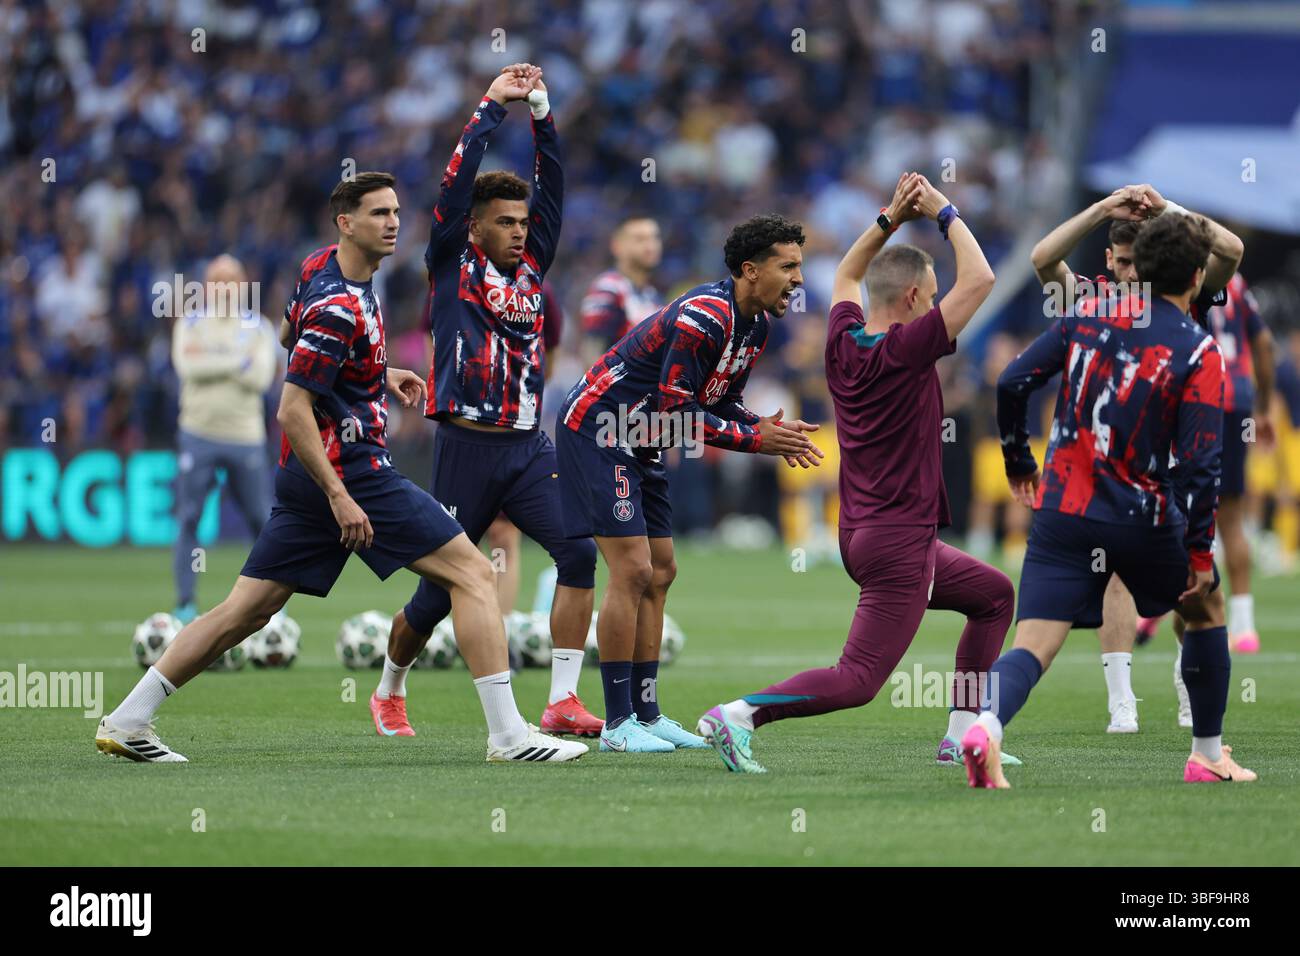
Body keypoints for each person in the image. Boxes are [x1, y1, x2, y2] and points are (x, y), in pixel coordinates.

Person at [96, 171, 585, 764]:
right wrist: (339, 494)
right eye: (379, 213)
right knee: (475, 575)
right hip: (351, 474)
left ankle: (127, 719)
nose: (394, 223)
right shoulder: (339, 306)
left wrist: (373, 374)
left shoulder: (318, 270)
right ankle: (509, 737)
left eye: (397, 212)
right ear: (345, 223)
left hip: (312, 478)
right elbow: (291, 407)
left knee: (245, 611)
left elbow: (286, 337)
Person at [697, 173, 1013, 774]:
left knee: (994, 596)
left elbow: (844, 274)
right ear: (919, 298)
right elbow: (983, 278)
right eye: (935, 292)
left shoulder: (841, 340)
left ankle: (962, 734)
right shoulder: (909, 348)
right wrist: (942, 210)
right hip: (898, 540)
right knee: (860, 679)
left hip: (864, 534)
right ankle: (739, 714)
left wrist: (890, 217)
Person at [966, 211, 1254, 788]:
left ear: (1136, 266)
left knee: (1035, 642)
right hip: (1141, 513)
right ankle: (1207, 755)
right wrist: (1199, 554)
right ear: (1197, 279)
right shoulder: (1198, 349)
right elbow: (1200, 465)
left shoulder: (1088, 316)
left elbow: (1011, 382)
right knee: (1206, 609)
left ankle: (987, 727)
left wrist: (1020, 461)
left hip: (1062, 511)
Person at [371, 64, 604, 740]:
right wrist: (489, 110)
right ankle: (389, 687)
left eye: (523, 222)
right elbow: (450, 188)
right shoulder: (450, 262)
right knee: (439, 592)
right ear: (472, 229)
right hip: (466, 450)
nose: (519, 232)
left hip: (530, 445)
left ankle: (561, 699)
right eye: (503, 222)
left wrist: (543, 114)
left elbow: (554, 190)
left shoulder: (534, 268)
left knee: (579, 552)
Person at [559, 213, 822, 754]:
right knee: (631, 569)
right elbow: (683, 413)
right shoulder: (703, 316)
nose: (799, 278)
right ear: (750, 270)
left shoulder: (756, 326)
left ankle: (648, 714)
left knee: (661, 571)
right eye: (788, 266)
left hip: (644, 436)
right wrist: (755, 443)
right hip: (601, 429)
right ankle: (616, 724)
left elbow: (720, 402)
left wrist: (762, 425)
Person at [1028, 185, 1243, 732]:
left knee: (1195, 590)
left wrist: (1167, 207)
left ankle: (1186, 673)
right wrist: (1102, 208)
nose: (1129, 275)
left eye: (1136, 263)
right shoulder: (1093, 297)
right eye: (1121, 263)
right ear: (1109, 260)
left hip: (1175, 458)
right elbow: (1042, 259)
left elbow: (1232, 250)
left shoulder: (1178, 297)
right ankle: (1121, 698)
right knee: (1116, 577)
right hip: (1111, 466)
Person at [170, 254, 278, 623]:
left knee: (260, 520)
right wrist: (236, 362)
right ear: (206, 285)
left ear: (243, 284)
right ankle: (185, 603)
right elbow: (187, 367)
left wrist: (213, 360)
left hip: (245, 436)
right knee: (189, 518)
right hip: (197, 433)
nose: (224, 287)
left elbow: (261, 378)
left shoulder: (258, 327)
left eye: (231, 279)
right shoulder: (190, 323)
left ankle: (269, 606)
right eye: (217, 280)